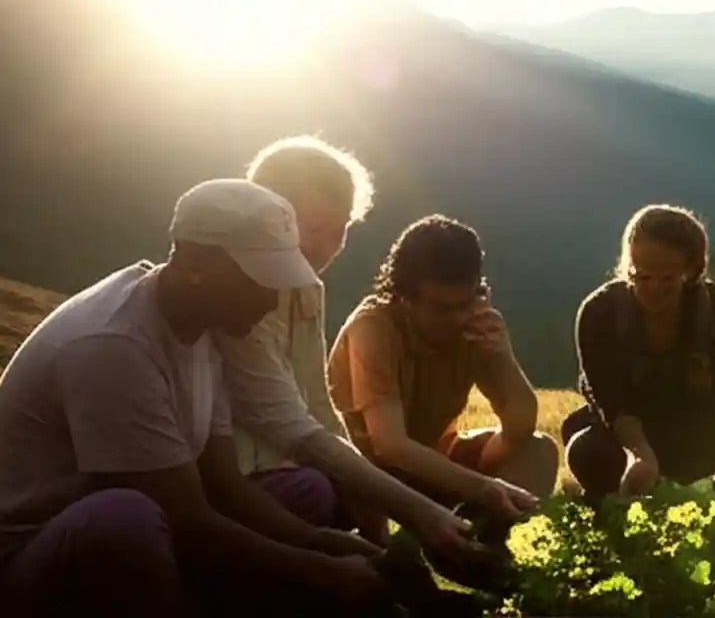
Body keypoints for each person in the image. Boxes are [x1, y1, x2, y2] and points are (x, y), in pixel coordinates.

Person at [0, 179, 392, 617]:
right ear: (194, 263)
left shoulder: (203, 326)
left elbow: (223, 481)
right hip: (28, 557)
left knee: (304, 492)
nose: (272, 300)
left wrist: (321, 543)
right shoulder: (114, 345)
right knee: (124, 518)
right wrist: (324, 571)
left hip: (150, 531)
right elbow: (186, 519)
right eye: (260, 280)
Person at [215, 137, 478, 555]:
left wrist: (375, 513)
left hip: (283, 462)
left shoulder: (306, 290)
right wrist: (422, 513)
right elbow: (289, 424)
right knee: (316, 490)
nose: (323, 247)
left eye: (338, 232)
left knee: (346, 487)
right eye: (312, 229)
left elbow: (317, 403)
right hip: (228, 473)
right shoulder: (232, 292)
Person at [327, 215, 558, 534]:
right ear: (404, 297)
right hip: (366, 475)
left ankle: (485, 543)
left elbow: (520, 424)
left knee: (537, 451)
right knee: (359, 483)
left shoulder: (475, 327)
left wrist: (502, 356)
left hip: (435, 464)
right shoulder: (374, 327)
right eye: (441, 309)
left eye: (466, 303)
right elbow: (389, 445)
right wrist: (482, 487)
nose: (457, 318)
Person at [562, 204, 715, 503]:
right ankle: (636, 495)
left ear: (691, 272)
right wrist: (639, 454)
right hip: (628, 435)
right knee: (585, 448)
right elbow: (611, 404)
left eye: (668, 279)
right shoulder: (600, 311)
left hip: (702, 432)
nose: (653, 289)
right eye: (641, 277)